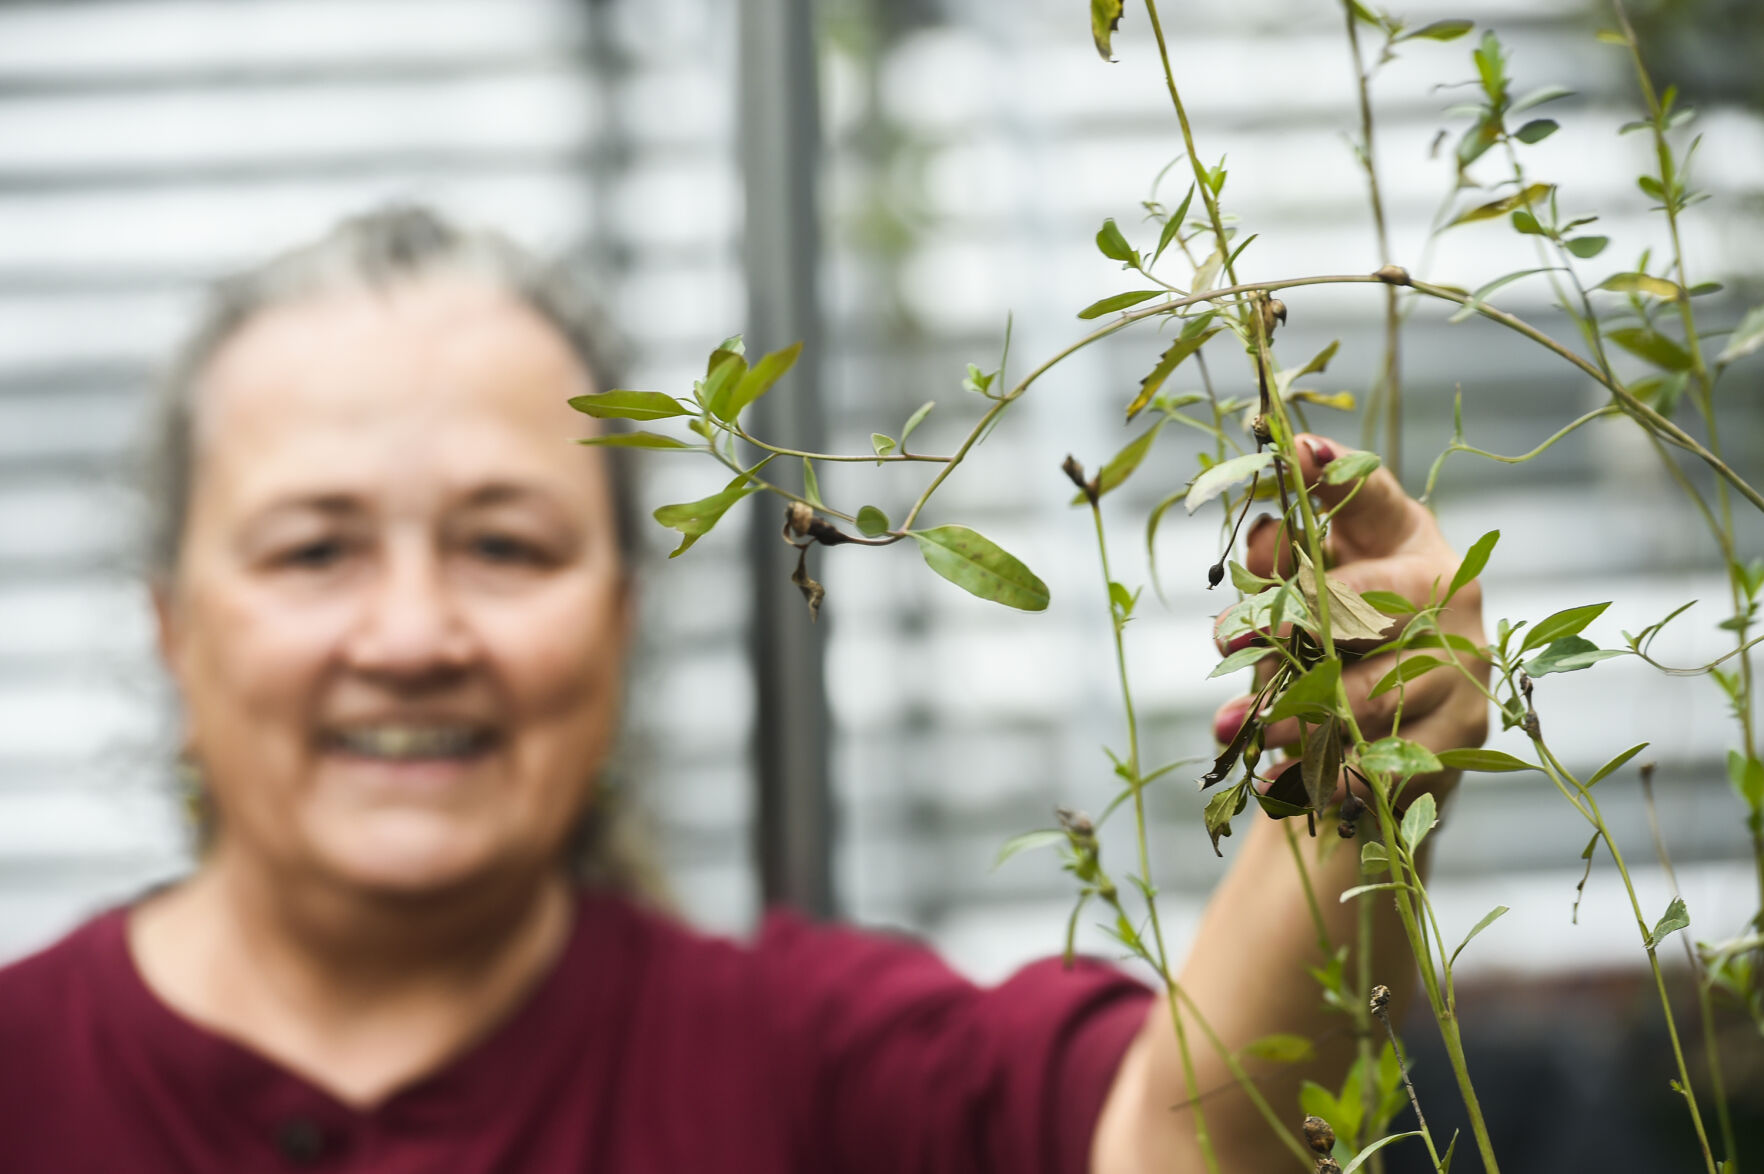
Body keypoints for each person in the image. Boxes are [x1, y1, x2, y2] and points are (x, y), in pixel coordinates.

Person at [0, 207, 1487, 1172]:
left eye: (505, 543)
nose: (413, 631)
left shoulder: (808, 1071)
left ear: (620, 620)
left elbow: (1172, 1143)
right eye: (314, 547)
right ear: (172, 628)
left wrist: (1348, 794)